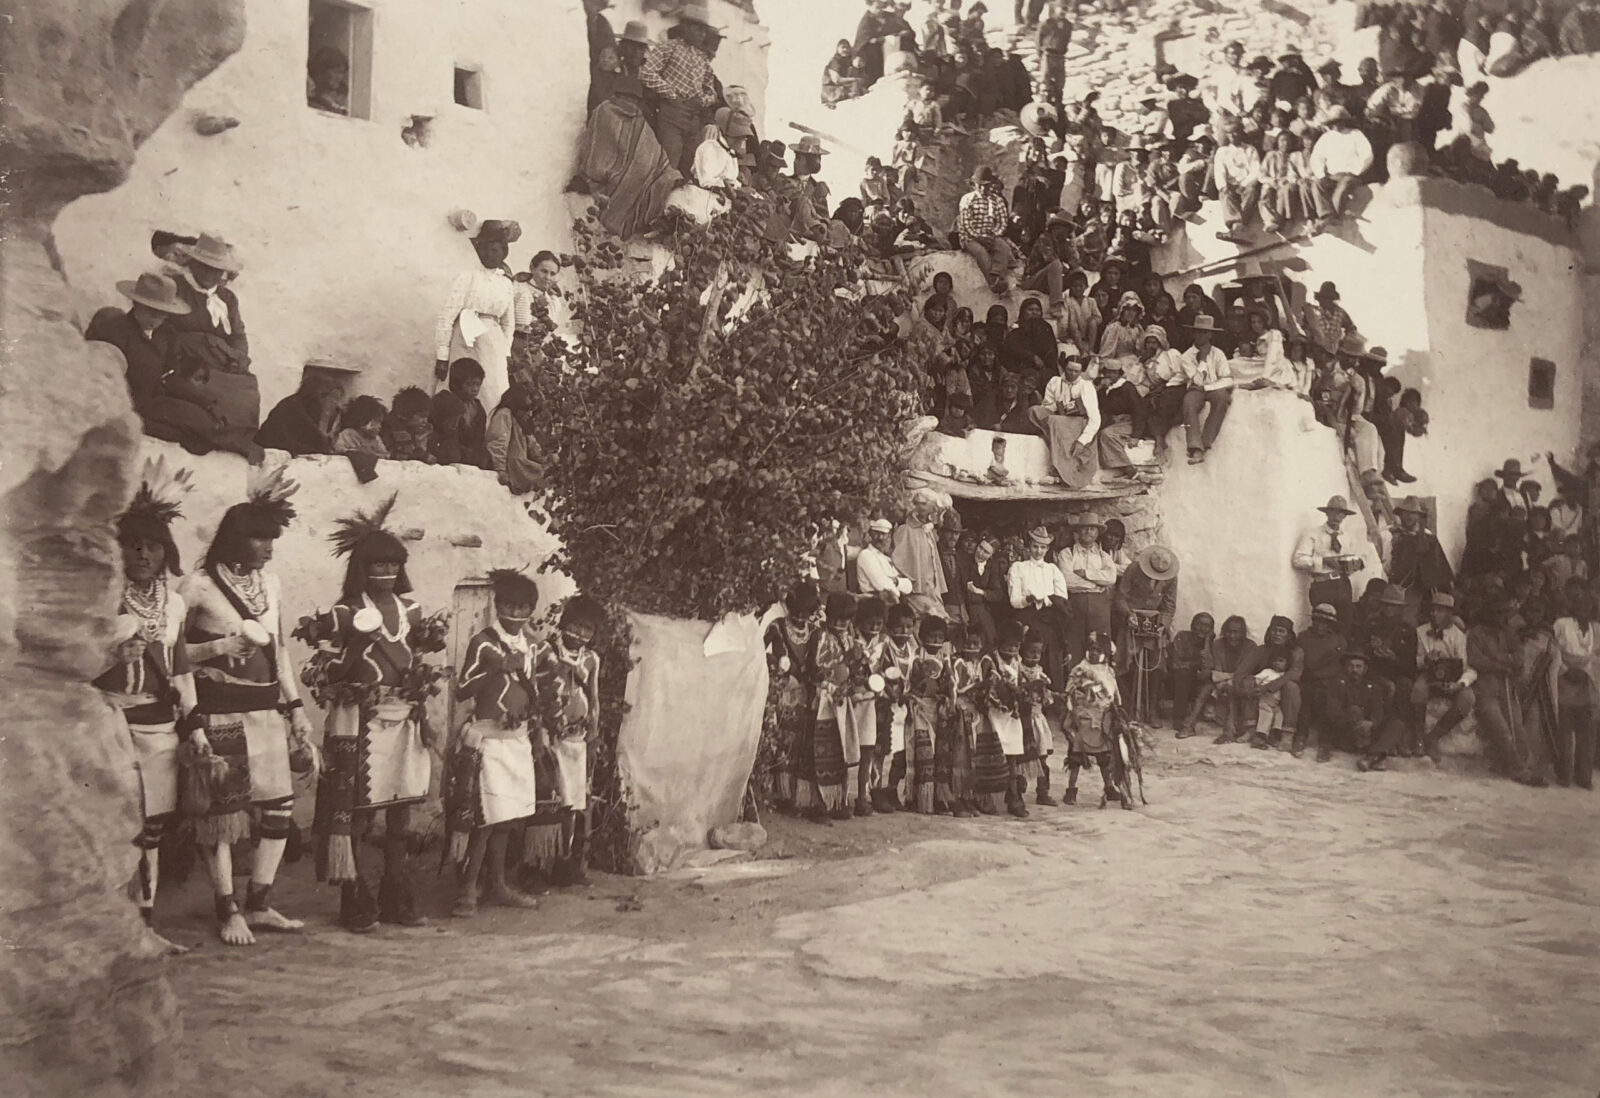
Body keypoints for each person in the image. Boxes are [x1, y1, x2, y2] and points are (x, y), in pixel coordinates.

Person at [180, 467, 313, 946]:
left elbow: (277, 651)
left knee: (277, 812)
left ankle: (259, 903)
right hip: (219, 711)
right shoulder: (197, 587)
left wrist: (296, 709)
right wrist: (218, 649)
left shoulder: (271, 585)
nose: (268, 547)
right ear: (235, 540)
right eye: (259, 538)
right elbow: (171, 659)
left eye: (272, 538)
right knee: (224, 817)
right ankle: (227, 908)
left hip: (265, 711)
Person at [307, 496, 437, 933]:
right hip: (359, 720)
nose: (386, 574)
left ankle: (395, 890)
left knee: (399, 807)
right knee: (360, 812)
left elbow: (417, 661)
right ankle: (355, 893)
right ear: (361, 569)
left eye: (393, 566)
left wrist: (423, 705)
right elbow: (322, 672)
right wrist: (354, 655)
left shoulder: (412, 611)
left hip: (404, 716)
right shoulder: (343, 613)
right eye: (377, 566)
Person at [93, 462, 199, 950]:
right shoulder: (100, 599)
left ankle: (146, 925)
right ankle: (108, 927)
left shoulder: (173, 604)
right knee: (112, 826)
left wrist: (192, 726)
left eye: (153, 546)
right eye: (133, 544)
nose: (142, 553)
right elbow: (75, 666)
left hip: (159, 725)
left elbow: (178, 669)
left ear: (165, 554)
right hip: (109, 720)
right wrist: (112, 652)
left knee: (152, 829)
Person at [443, 568, 545, 916]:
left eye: (523, 607)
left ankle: (497, 884)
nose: (515, 614)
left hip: (516, 739)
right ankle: (467, 890)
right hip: (486, 739)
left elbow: (532, 690)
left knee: (506, 817)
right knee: (484, 818)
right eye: (509, 606)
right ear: (496, 604)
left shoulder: (533, 645)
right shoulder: (483, 641)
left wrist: (537, 729)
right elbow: (462, 690)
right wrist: (499, 666)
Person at [86, 271, 251, 457]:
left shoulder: (165, 335)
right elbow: (100, 382)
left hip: (156, 401)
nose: (157, 319)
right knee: (193, 431)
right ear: (136, 303)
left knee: (205, 420)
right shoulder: (114, 332)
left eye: (163, 314)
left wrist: (205, 402)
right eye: (151, 311)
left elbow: (172, 376)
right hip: (127, 406)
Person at [534, 596, 604, 886]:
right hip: (552, 738)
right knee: (549, 802)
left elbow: (594, 696)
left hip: (578, 740)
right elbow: (536, 693)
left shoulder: (591, 659)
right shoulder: (545, 651)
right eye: (577, 626)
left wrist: (594, 728)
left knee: (574, 804)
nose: (582, 634)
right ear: (565, 625)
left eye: (588, 629)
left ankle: (567, 865)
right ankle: (535, 868)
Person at [576, 75, 684, 239]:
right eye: (626, 97)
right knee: (629, 180)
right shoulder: (604, 112)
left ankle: (660, 219)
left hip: (642, 172)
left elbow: (650, 148)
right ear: (617, 95)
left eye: (633, 99)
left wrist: (657, 165)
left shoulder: (639, 119)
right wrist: (620, 166)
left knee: (664, 178)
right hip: (608, 174)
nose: (629, 102)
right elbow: (597, 147)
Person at [435, 218, 518, 411]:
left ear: (504, 253)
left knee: (493, 390)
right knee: (465, 387)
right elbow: (447, 316)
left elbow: (508, 322)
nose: (489, 254)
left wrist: (505, 351)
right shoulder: (467, 277)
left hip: (494, 343)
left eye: (495, 250)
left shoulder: (506, 283)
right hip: (466, 339)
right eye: (484, 249)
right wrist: (442, 356)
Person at [1467, 598, 1548, 785]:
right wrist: (1502, 664)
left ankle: (1521, 766)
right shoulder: (1476, 634)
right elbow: (1476, 660)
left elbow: (1520, 658)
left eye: (1503, 614)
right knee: (1500, 727)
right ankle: (1519, 771)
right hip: (1485, 688)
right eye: (1496, 613)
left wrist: (1497, 658)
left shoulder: (1508, 633)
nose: (1500, 618)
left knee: (1517, 727)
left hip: (1506, 687)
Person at [640, 5, 720, 174]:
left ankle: (675, 199)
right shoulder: (668, 47)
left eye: (704, 31)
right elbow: (646, 73)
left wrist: (703, 100)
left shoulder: (702, 58)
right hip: (671, 113)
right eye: (698, 29)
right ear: (685, 27)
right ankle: (655, 198)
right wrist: (671, 94)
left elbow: (712, 91)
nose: (702, 34)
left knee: (689, 164)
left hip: (693, 117)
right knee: (669, 162)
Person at [164, 232, 251, 376]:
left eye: (216, 269)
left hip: (220, 368)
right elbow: (164, 332)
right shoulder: (175, 288)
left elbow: (237, 336)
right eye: (205, 266)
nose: (210, 274)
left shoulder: (227, 298)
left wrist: (236, 360)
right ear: (192, 264)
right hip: (183, 368)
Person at [1009, 526, 1072, 687]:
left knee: (1051, 659)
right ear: (1029, 546)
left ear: (1047, 549)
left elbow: (1062, 598)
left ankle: (1050, 698)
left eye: (1043, 547)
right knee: (1028, 656)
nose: (1038, 551)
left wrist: (1047, 599)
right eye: (1035, 546)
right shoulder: (1018, 568)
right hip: (1027, 618)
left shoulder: (1052, 570)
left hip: (1049, 619)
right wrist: (1028, 600)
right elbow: (1014, 600)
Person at [1029, 352, 1100, 488]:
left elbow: (1095, 418)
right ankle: (1051, 433)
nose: (1073, 374)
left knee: (1054, 421)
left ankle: (1060, 469)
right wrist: (1059, 406)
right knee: (1034, 410)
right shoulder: (1055, 381)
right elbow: (1046, 405)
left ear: (1081, 371)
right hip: (1059, 417)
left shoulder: (1086, 386)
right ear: (1063, 368)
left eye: (1076, 371)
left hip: (1078, 423)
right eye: (1069, 370)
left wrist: (1083, 440)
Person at [1293, 495, 1365, 625]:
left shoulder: (1348, 537)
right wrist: (1324, 561)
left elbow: (1356, 558)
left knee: (1344, 623)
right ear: (1327, 513)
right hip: (1323, 585)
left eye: (1342, 514)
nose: (1338, 517)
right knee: (1323, 623)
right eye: (1334, 512)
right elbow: (1298, 560)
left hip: (1343, 585)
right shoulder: (1313, 534)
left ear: (1345, 516)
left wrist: (1355, 564)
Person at [1058, 516, 1116, 670]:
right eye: (1084, 528)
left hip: (1100, 608)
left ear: (1097, 533)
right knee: (1074, 647)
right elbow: (1067, 580)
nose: (1088, 531)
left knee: (1100, 647)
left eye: (1092, 528)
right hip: (1075, 604)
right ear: (1077, 531)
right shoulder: (1067, 553)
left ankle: (1100, 688)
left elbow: (1111, 577)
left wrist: (1085, 573)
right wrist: (1096, 582)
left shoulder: (1104, 556)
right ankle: (1074, 689)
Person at [1552, 591, 1598, 788]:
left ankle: (1584, 775)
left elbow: (1596, 656)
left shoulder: (1596, 629)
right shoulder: (1562, 624)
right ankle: (1564, 773)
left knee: (1587, 728)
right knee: (1564, 728)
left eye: (1588, 606)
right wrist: (1567, 670)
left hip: (1587, 679)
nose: (1584, 610)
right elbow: (1553, 649)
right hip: (1564, 677)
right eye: (1580, 605)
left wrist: (1585, 671)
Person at [1307, 108, 1373, 230]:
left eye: (1339, 122)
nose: (1336, 125)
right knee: (1317, 183)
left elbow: (1367, 155)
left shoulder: (1355, 134)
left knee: (1344, 186)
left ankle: (1335, 217)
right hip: (1332, 176)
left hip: (1350, 175)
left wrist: (1356, 171)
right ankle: (1326, 215)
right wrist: (1321, 174)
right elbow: (1317, 157)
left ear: (1345, 122)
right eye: (1333, 123)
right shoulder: (1326, 138)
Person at [1179, 314, 1232, 464]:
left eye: (1205, 332)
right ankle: (1195, 448)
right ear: (1193, 333)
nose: (1201, 335)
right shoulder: (1187, 356)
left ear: (1210, 334)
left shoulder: (1218, 353)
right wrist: (1202, 360)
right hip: (1196, 390)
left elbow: (1227, 378)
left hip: (1213, 387)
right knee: (1189, 403)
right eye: (1198, 332)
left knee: (1222, 398)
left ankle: (1206, 441)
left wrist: (1208, 386)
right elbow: (1195, 380)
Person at [1322, 649, 1388, 762]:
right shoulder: (1336, 684)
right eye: (1350, 666)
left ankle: (1373, 754)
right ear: (1345, 667)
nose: (1354, 670)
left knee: (1398, 724)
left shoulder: (1373, 687)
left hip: (1368, 735)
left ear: (1365, 669)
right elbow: (1333, 711)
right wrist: (1356, 722)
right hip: (1346, 734)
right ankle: (1372, 753)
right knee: (1354, 710)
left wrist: (1371, 723)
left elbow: (1378, 710)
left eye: (1358, 666)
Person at [891, 494, 950, 619]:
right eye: (918, 503)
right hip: (917, 591)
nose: (921, 507)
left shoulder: (927, 531)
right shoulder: (906, 530)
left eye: (925, 504)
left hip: (932, 590)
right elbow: (898, 562)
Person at [256, 372, 342, 456]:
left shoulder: (315, 411)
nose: (336, 403)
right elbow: (283, 442)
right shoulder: (290, 408)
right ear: (318, 396)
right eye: (333, 398)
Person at [957, 167, 1014, 294]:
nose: (984, 189)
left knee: (1004, 248)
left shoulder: (997, 200)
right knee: (981, 253)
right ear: (975, 185)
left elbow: (1002, 222)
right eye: (980, 186)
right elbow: (966, 223)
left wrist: (994, 235)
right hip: (971, 237)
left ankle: (997, 274)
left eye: (987, 186)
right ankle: (992, 282)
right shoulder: (967, 199)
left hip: (990, 235)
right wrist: (978, 237)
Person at [1389, 496, 1453, 605]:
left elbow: (1439, 565)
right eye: (1405, 513)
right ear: (1401, 514)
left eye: (1413, 513)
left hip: (1425, 588)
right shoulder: (1393, 535)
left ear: (1419, 516)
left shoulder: (1429, 538)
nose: (1409, 516)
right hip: (1402, 586)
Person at [485, 384, 546, 495]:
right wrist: (500, 470)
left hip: (519, 462)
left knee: (545, 473)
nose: (530, 414)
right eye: (527, 409)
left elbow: (533, 447)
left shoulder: (521, 421)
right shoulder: (505, 414)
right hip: (510, 464)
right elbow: (498, 441)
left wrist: (544, 459)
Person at [430, 357, 489, 467]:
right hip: (449, 454)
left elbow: (479, 437)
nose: (475, 389)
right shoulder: (443, 403)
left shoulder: (478, 408)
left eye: (477, 384)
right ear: (456, 385)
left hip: (471, 455)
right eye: (469, 384)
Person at [1212, 123, 1262, 240]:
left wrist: (1244, 185)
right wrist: (1223, 186)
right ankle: (1236, 225)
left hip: (1246, 185)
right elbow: (1219, 171)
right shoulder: (1222, 151)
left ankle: (1237, 229)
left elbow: (1255, 170)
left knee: (1252, 192)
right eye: (1229, 134)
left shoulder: (1250, 149)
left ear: (1241, 133)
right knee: (1225, 194)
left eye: (1235, 132)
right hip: (1231, 186)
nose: (1233, 136)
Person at [1170, 612, 1216, 734]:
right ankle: (1178, 717)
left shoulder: (1212, 643)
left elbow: (1209, 666)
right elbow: (1176, 664)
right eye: (1199, 624)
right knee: (1184, 674)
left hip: (1197, 680)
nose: (1202, 628)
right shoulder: (1182, 636)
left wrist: (1206, 642)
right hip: (1176, 679)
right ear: (1192, 625)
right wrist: (1195, 665)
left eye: (1207, 626)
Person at [857, 517, 914, 605]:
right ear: (870, 535)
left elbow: (909, 586)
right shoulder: (866, 554)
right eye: (876, 533)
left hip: (890, 603)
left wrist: (896, 581)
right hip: (873, 604)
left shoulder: (887, 558)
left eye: (884, 534)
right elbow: (882, 586)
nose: (880, 538)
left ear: (889, 537)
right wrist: (898, 587)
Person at [307, 46, 349, 113]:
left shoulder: (336, 103)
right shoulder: (311, 104)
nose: (340, 77)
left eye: (342, 73)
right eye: (337, 72)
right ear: (322, 71)